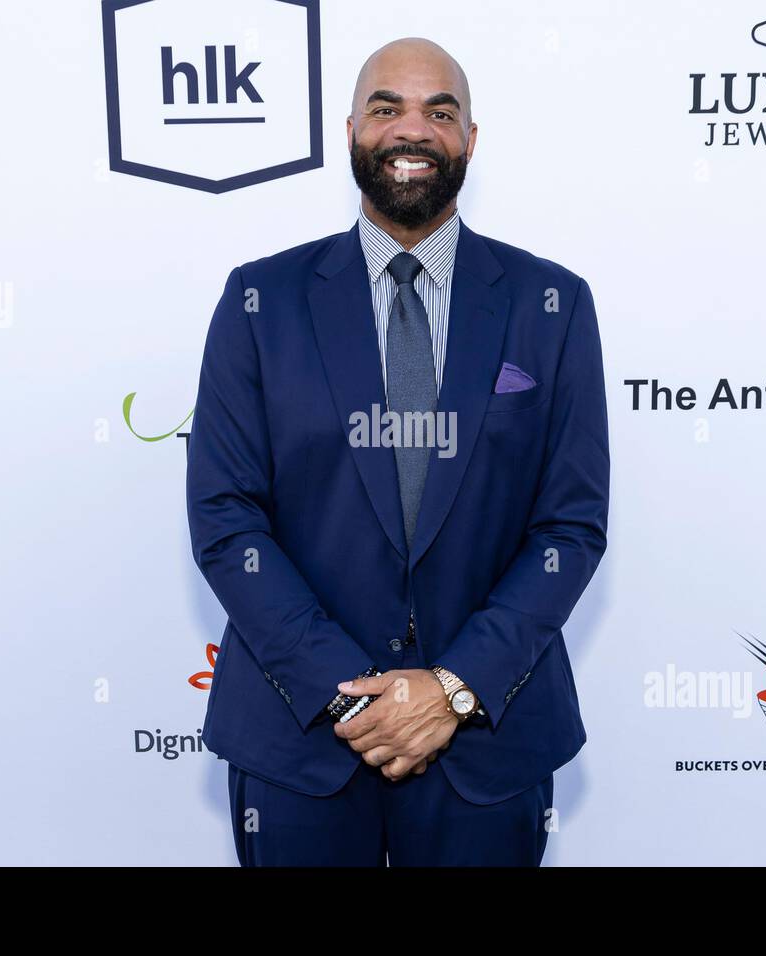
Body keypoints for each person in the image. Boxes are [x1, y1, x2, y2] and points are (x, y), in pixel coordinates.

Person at [186, 36, 609, 866]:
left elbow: (570, 526)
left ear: (470, 140)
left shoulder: (552, 304)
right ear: (350, 131)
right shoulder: (259, 300)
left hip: (486, 745)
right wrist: (351, 696)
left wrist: (451, 689)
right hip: (299, 739)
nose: (412, 130)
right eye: (387, 108)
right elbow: (226, 519)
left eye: (439, 113)